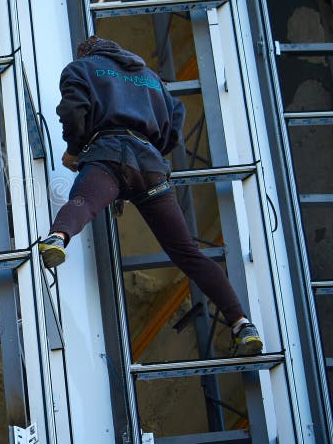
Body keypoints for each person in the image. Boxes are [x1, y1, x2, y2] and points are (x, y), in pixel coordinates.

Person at [38, 36, 263, 357]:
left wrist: (75, 150)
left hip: (109, 154)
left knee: (84, 203)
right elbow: (175, 124)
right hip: (151, 167)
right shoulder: (153, 80)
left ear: (85, 51)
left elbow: (74, 110)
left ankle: (58, 238)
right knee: (188, 252)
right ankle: (242, 323)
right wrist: (152, 155)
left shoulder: (82, 67)